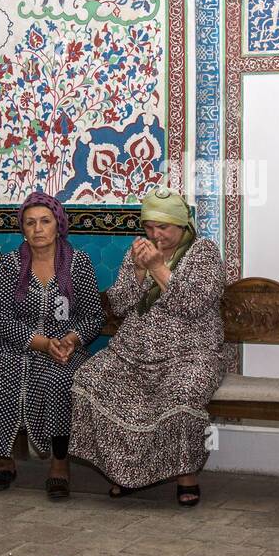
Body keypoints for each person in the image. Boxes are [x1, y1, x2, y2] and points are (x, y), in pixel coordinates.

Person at [70, 187, 226, 506]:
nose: (155, 234)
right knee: (91, 379)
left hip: (190, 355)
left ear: (182, 225)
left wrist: (158, 269)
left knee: (182, 394)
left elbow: (193, 303)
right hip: (132, 354)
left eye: (163, 227)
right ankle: (125, 472)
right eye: (149, 226)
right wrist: (139, 273)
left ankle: (186, 476)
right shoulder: (137, 251)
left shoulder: (204, 253)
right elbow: (119, 304)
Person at [0, 191, 103, 500]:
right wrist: (39, 342)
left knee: (58, 381)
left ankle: (59, 466)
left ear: (59, 224)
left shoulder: (77, 264)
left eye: (45, 221)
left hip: (65, 350)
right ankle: (3, 462)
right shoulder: (12, 265)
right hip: (14, 347)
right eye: (30, 223)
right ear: (22, 228)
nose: (38, 229)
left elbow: (94, 316)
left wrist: (71, 339)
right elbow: (0, 318)